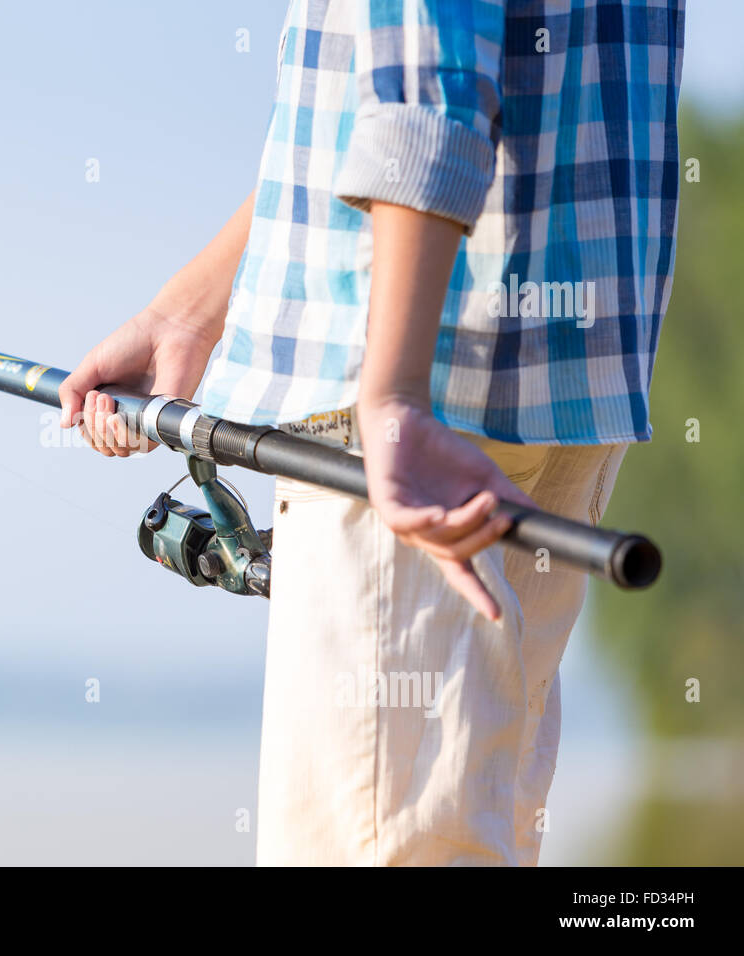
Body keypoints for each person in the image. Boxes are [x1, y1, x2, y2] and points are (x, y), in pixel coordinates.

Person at [58, 0, 684, 865]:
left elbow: (430, 85)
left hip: (414, 398)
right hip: (567, 378)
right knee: (473, 840)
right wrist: (191, 313)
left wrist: (390, 394)